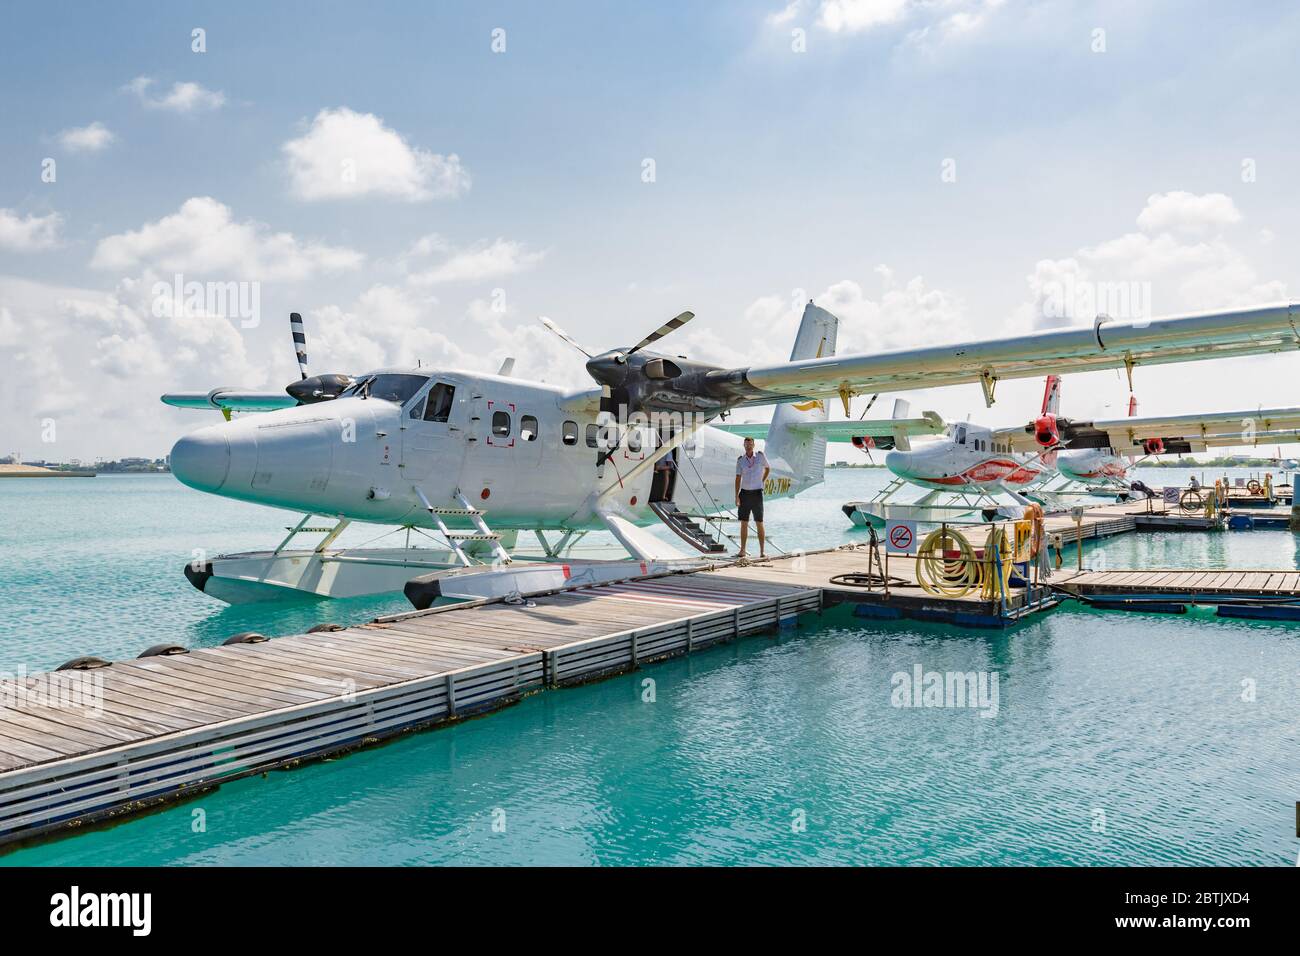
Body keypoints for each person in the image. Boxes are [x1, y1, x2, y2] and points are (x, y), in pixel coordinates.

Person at [734, 437, 770, 558]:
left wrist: (762, 481)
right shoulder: (741, 460)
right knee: (744, 523)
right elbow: (738, 478)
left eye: (750, 444)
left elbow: (768, 468)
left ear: (754, 445)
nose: (748, 446)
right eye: (746, 444)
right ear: (744, 445)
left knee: (759, 522)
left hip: (757, 494)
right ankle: (742, 550)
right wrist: (736, 496)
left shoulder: (760, 456)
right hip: (744, 493)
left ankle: (762, 552)